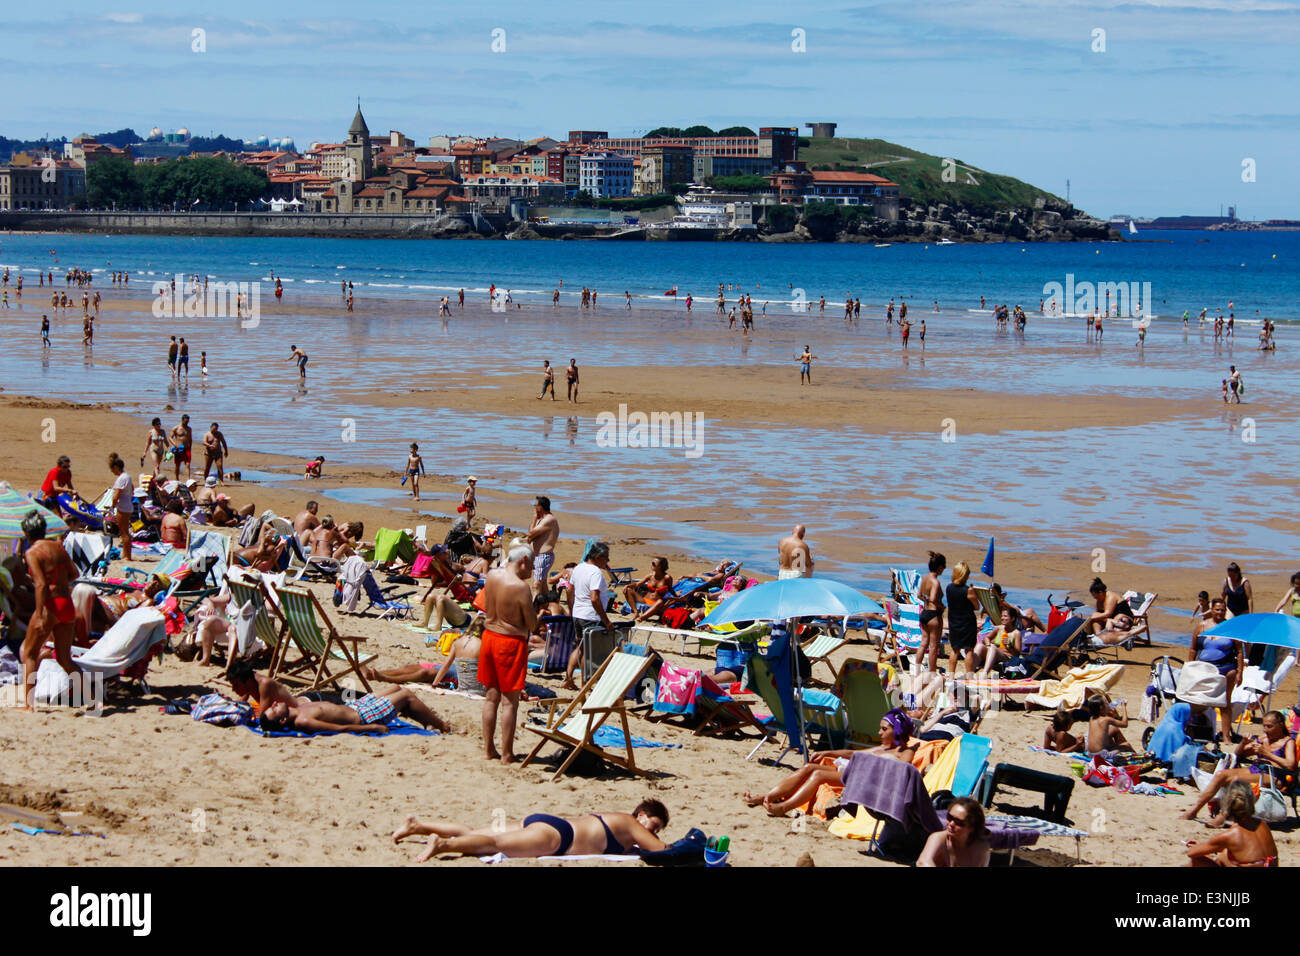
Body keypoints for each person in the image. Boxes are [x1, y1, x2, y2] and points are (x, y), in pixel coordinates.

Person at [742, 709, 917, 816]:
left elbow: (903, 770)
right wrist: (828, 752)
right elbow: (852, 752)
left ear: (898, 731)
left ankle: (784, 807)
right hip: (855, 772)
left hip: (867, 781)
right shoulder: (883, 747)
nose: (879, 732)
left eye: (884, 729)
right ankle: (767, 796)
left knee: (818, 774)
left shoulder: (905, 751)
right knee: (809, 766)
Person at [394, 798, 669, 863]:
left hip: (550, 825)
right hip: (558, 838)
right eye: (654, 826)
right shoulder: (632, 824)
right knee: (493, 843)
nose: (652, 833)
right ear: (642, 815)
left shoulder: (624, 827)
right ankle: (441, 845)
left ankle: (418, 825)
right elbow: (662, 851)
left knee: (476, 833)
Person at [1181, 711, 1296, 825]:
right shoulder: (1263, 739)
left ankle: (1223, 815)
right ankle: (1194, 810)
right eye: (1264, 726)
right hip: (1256, 769)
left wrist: (1267, 754)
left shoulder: (1287, 742)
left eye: (1269, 726)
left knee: (1236, 781)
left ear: (1280, 725)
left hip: (1274, 775)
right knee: (1221, 775)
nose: (1265, 729)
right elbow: (1239, 754)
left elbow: (1290, 765)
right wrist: (1243, 743)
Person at [479, 546, 536, 763]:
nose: (531, 570)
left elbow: (486, 605)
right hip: (509, 642)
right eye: (530, 565)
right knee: (509, 701)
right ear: (523, 560)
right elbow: (531, 624)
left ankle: (488, 749)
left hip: (489, 637)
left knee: (490, 697)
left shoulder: (492, 576)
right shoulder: (520, 587)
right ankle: (506, 753)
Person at [19, 509, 81, 710]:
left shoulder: (32, 552)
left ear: (26, 533)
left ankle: (28, 705)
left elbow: (40, 585)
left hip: (50, 606)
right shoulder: (58, 546)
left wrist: (39, 611)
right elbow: (74, 573)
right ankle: (91, 696)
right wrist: (59, 584)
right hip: (67, 605)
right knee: (64, 659)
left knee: (29, 653)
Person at [259, 686, 450, 735]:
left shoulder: (298, 706)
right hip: (364, 716)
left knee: (395, 688)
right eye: (274, 710)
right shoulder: (303, 721)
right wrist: (373, 727)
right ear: (282, 720)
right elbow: (338, 729)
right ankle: (443, 726)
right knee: (406, 695)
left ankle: (424, 719)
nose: (274, 705)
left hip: (355, 706)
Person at [1185, 782, 1278, 867]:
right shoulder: (1262, 824)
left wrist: (1196, 847)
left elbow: (1191, 853)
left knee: (1196, 860)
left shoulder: (1230, 835)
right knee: (1224, 856)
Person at [1191, 597, 1243, 742]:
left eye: (1223, 610)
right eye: (1217, 609)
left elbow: (1239, 651)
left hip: (1227, 669)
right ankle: (1203, 731)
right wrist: (1189, 666)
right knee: (1201, 700)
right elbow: (1193, 648)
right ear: (1211, 610)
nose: (1220, 612)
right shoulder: (1202, 626)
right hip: (1205, 669)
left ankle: (1226, 736)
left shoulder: (1231, 628)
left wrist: (1240, 672)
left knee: (1225, 702)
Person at [917, 797, 991, 867]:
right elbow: (923, 862)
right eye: (949, 817)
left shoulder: (981, 848)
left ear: (972, 827)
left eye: (958, 822)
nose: (951, 824)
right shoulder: (939, 838)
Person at [945, 561, 980, 675]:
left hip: (954, 621)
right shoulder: (968, 590)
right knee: (969, 650)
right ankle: (969, 675)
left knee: (954, 650)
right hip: (967, 622)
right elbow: (976, 606)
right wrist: (974, 594)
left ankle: (951, 675)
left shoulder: (949, 588)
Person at [919, 551, 947, 673]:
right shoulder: (935, 581)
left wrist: (927, 601)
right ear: (940, 567)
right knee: (933, 646)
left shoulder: (924, 578)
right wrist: (942, 606)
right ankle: (932, 672)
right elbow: (933, 598)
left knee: (923, 643)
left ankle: (917, 669)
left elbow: (919, 595)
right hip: (933, 615)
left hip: (924, 613)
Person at [973, 607, 1022, 676]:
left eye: (1005, 616)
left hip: (1006, 657)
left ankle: (984, 674)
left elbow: (1017, 653)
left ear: (1012, 618)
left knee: (993, 648)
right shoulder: (999, 628)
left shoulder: (1016, 633)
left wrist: (1010, 645)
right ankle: (970, 672)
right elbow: (987, 638)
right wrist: (988, 645)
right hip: (993, 652)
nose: (1002, 618)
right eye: (1002, 616)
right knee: (980, 646)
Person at [623, 557, 673, 622]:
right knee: (628, 590)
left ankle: (642, 618)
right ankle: (636, 613)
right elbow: (638, 584)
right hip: (644, 600)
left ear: (660, 566)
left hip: (656, 603)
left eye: (653, 564)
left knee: (660, 601)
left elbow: (671, 590)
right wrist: (627, 585)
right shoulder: (650, 576)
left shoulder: (667, 577)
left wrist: (677, 597)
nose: (651, 565)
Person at [526, 495, 559, 592]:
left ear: (540, 507)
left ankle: (535, 606)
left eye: (535, 505)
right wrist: (536, 519)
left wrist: (534, 518)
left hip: (543, 556)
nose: (534, 508)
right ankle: (546, 603)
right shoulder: (542, 519)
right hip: (538, 556)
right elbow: (531, 533)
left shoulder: (549, 519)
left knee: (536, 584)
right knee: (543, 584)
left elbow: (531, 533)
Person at [106, 453, 134, 561]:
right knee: (125, 531)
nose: (112, 471)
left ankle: (127, 556)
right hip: (128, 504)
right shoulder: (128, 476)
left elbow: (116, 495)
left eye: (112, 469)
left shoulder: (121, 479)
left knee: (124, 532)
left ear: (116, 467)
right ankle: (126, 554)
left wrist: (112, 506)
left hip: (123, 506)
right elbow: (132, 489)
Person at [169, 414, 193, 481]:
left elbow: (190, 439)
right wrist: (174, 444)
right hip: (179, 448)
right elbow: (170, 437)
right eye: (185, 421)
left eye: (188, 421)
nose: (186, 423)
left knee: (188, 464)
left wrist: (190, 447)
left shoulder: (189, 429)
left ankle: (188, 479)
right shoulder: (176, 428)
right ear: (182, 420)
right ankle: (177, 479)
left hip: (187, 448)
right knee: (177, 464)